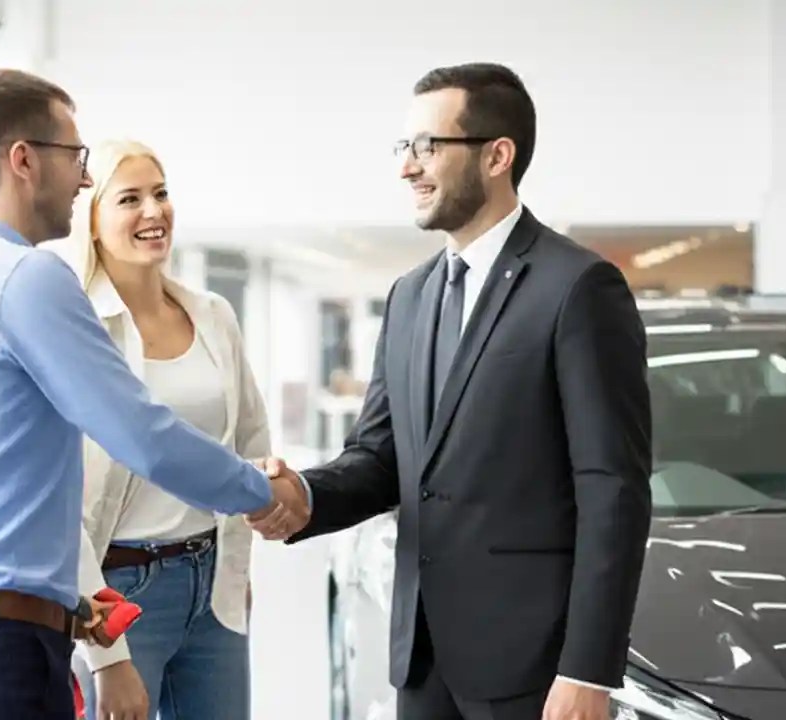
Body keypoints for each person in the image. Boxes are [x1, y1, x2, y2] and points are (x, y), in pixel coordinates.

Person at [0, 69, 309, 720]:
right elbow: (144, 436)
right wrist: (264, 493)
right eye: (75, 157)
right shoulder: (28, 279)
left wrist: (77, 604)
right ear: (22, 160)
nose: (83, 178)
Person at [265, 62, 653, 720]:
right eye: (404, 147)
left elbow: (611, 487)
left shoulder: (577, 288)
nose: (407, 168)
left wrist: (588, 668)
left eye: (428, 146)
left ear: (497, 155)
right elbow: (382, 457)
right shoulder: (410, 296)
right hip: (424, 658)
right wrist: (303, 496)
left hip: (533, 663)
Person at [44, 139, 269, 720]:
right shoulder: (79, 328)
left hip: (210, 581)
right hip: (120, 591)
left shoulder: (213, 313)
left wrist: (235, 569)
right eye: (130, 199)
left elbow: (250, 441)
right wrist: (104, 652)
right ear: (93, 224)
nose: (154, 211)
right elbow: (59, 499)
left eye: (161, 193)